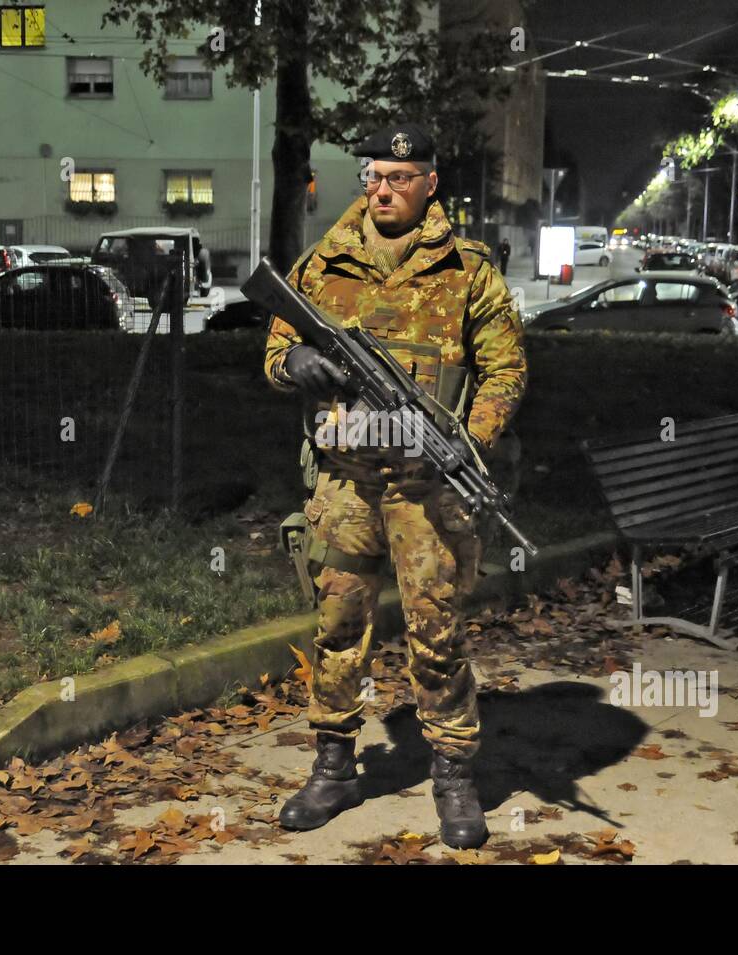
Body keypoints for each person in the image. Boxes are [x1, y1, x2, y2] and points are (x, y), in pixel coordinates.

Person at [262, 122, 527, 849]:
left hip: (427, 486)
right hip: (344, 484)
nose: (383, 189)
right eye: (374, 175)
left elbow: (506, 369)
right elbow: (277, 349)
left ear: (430, 183)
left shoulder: (468, 269)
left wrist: (468, 443)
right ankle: (334, 764)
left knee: (437, 632)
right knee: (337, 630)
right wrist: (298, 369)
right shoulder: (324, 262)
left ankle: (452, 773)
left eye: (400, 177)